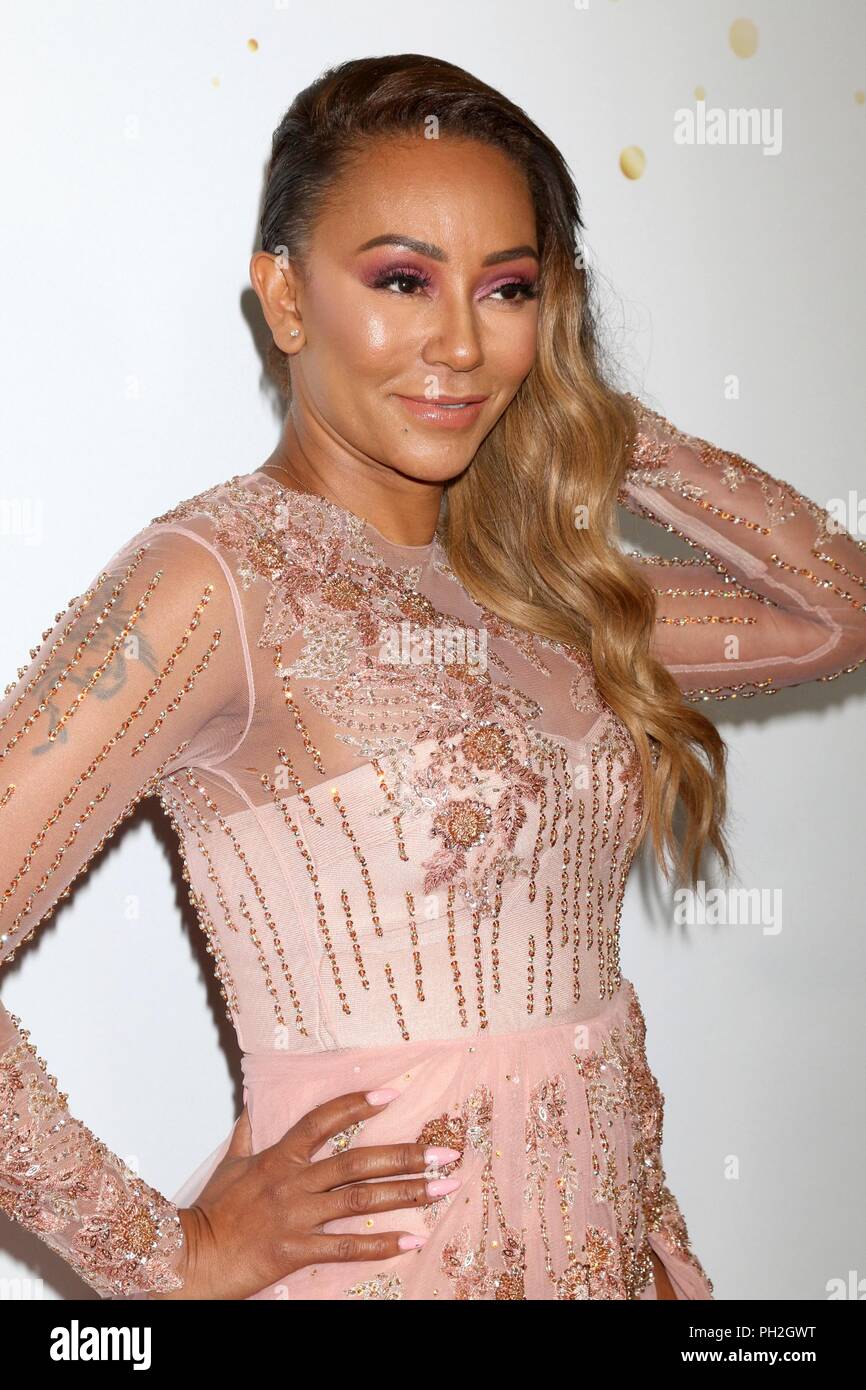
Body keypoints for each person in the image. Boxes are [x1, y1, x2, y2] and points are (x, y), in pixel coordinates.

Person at [2, 54, 864, 1303]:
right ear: (285, 299)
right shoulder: (216, 583)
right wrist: (168, 1257)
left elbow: (833, 608)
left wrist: (587, 415)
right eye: (401, 280)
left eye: (505, 289)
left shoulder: (546, 585)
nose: (458, 342)